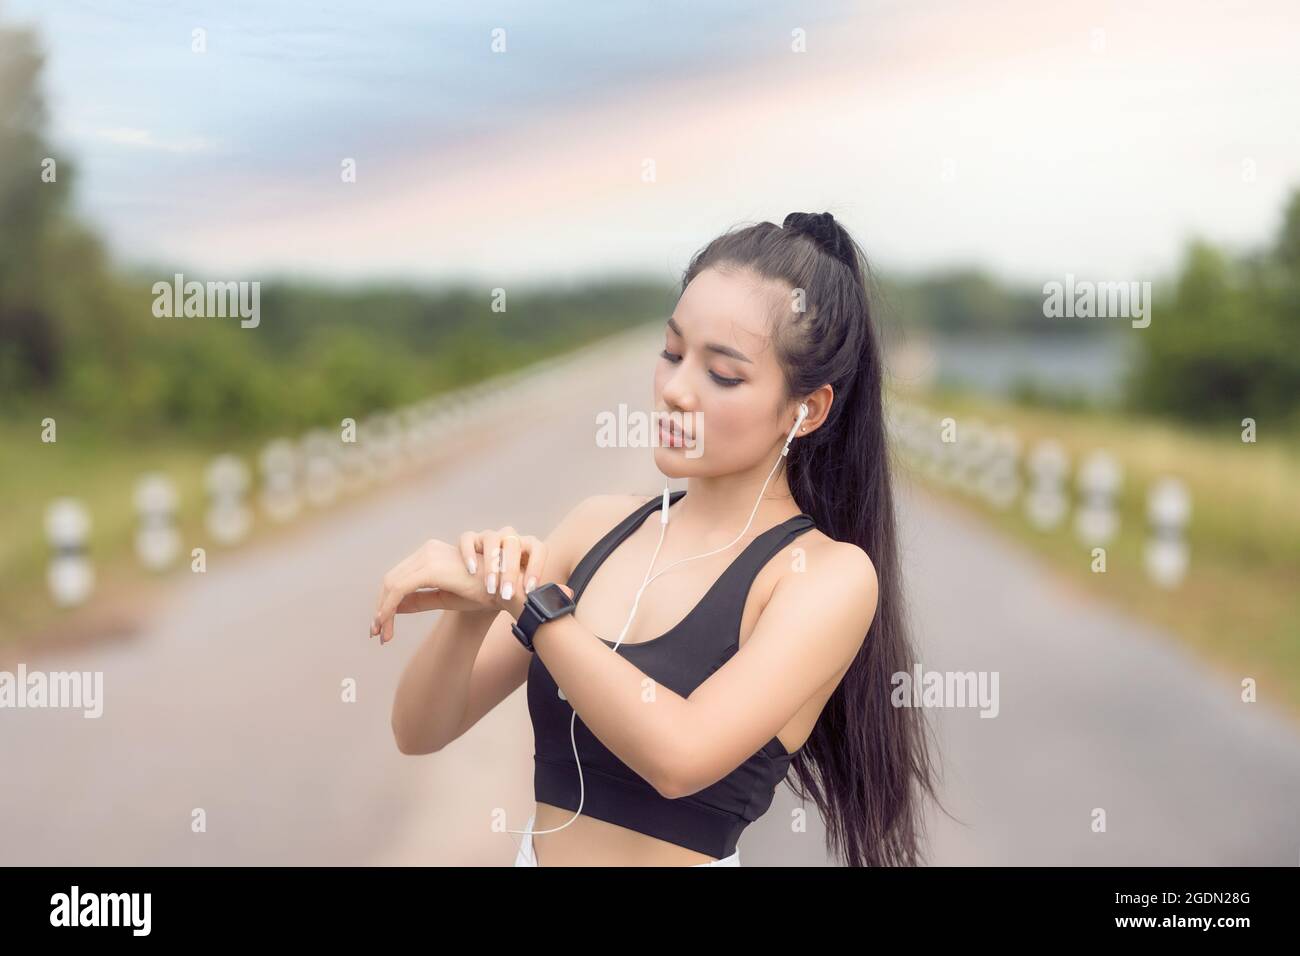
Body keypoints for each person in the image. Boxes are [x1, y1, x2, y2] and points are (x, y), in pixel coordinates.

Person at [374, 212, 942, 866]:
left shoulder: (825, 576)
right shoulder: (595, 527)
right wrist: (478, 604)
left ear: (806, 409)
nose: (674, 391)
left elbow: (681, 757)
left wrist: (532, 604)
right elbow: (419, 730)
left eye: (722, 375)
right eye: (672, 353)